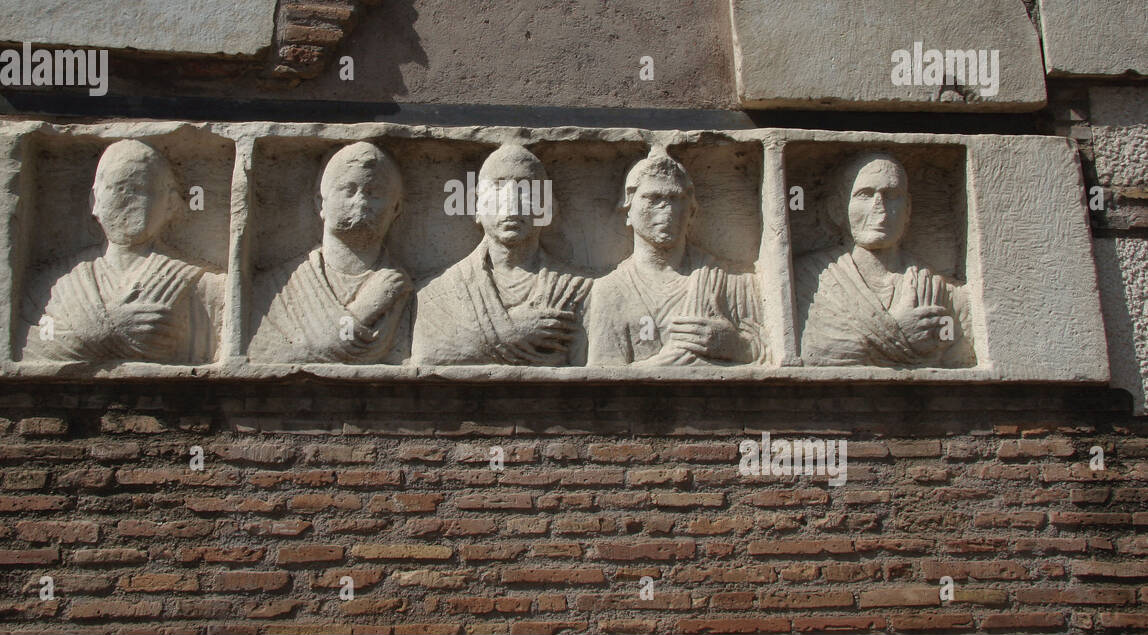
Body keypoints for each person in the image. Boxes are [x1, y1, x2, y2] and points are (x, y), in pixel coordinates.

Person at [23, 139, 222, 365]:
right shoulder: (52, 286)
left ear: (171, 204)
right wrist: (108, 330)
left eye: (140, 188)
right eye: (116, 187)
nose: (126, 199)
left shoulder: (204, 287)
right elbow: (34, 345)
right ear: (94, 201)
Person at [414, 144, 589, 365]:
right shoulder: (435, 294)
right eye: (497, 188)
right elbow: (428, 357)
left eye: (526, 189)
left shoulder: (577, 290)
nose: (511, 203)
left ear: (547, 206)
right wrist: (510, 334)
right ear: (477, 207)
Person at [586, 150, 766, 366]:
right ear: (627, 212)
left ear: (691, 211)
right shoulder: (610, 291)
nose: (667, 209)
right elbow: (603, 378)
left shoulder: (733, 282)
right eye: (653, 198)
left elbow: (770, 350)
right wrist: (661, 365)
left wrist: (738, 346)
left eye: (675, 198)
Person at [795, 150, 973, 367]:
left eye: (891, 195)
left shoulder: (942, 292)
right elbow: (809, 352)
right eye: (865, 195)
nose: (880, 207)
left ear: (907, 209)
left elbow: (959, 358)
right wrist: (898, 334)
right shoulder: (807, 279)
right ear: (836, 209)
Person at [251, 141, 412, 364]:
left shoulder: (406, 292)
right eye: (349, 190)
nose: (362, 202)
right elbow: (267, 356)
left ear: (396, 208)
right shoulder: (274, 290)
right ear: (320, 204)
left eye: (375, 193)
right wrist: (363, 310)